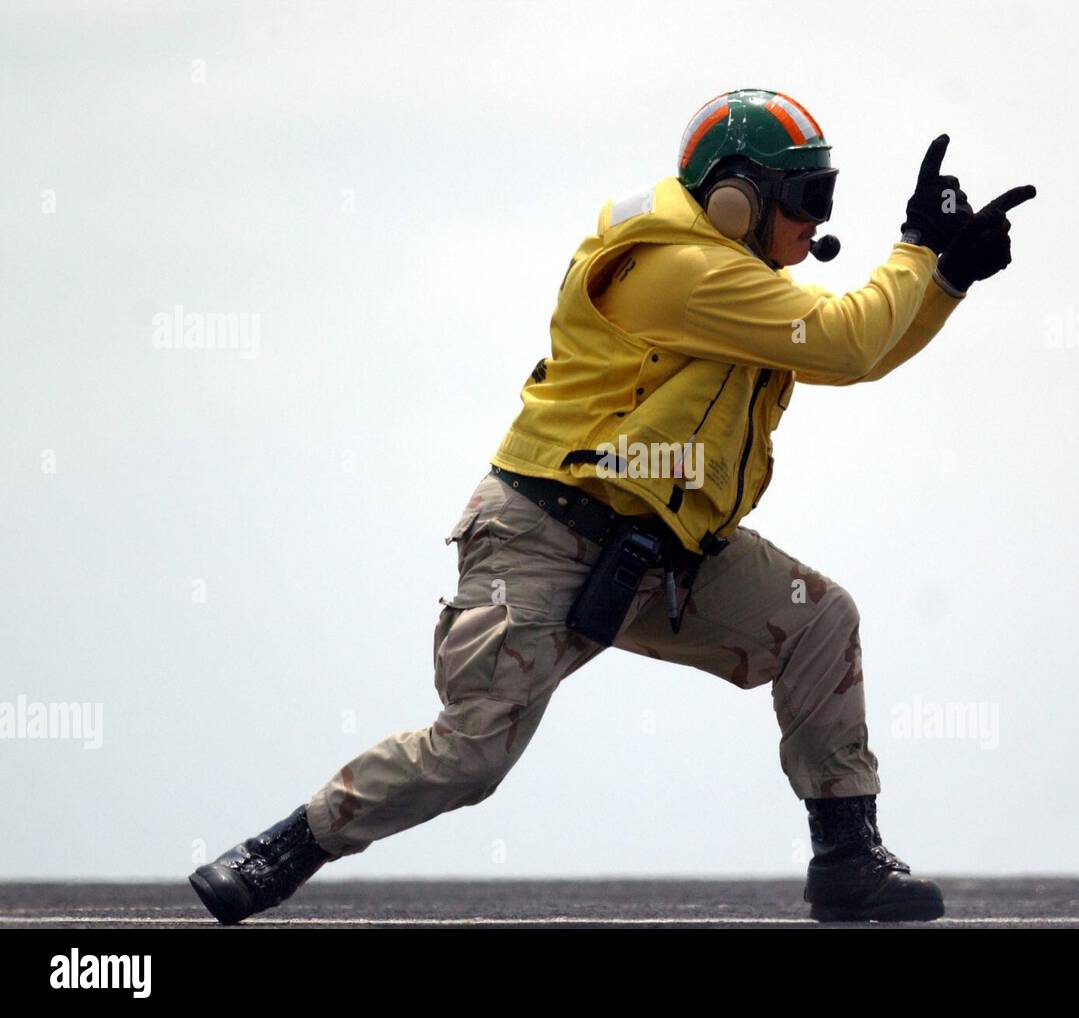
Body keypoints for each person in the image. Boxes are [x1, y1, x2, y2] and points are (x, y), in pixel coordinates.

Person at [189, 87, 1035, 925]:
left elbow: (856, 356)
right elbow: (850, 340)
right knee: (471, 756)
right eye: (809, 199)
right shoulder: (688, 274)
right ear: (740, 199)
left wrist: (947, 278)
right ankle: (283, 849)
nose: (818, 222)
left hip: (655, 550)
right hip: (545, 536)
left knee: (818, 621)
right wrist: (922, 249)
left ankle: (849, 861)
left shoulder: (734, 279)